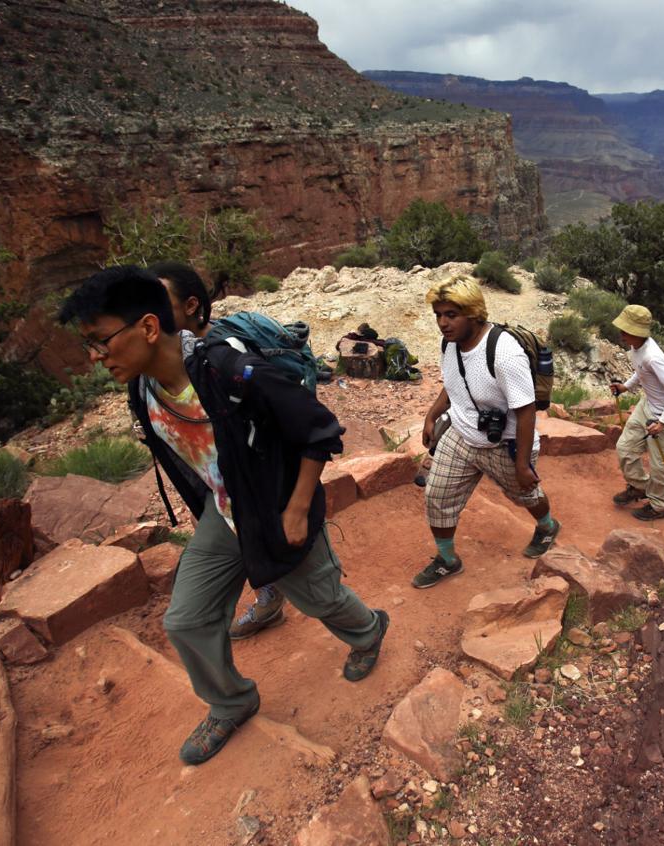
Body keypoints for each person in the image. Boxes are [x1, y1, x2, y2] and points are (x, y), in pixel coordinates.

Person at [58, 265, 389, 765]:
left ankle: (368, 631)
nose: (95, 357)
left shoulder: (229, 372)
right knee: (186, 619)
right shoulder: (143, 389)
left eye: (100, 342)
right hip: (227, 511)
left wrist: (298, 510)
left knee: (321, 598)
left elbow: (320, 430)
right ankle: (231, 701)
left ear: (149, 328)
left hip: (276, 506)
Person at [148, 260, 287, 640]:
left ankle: (352, 621)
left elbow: (281, 416)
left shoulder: (226, 352)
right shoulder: (160, 364)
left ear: (191, 306)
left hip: (260, 483)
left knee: (312, 579)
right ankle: (269, 594)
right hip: (218, 485)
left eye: (159, 302)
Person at [415, 276, 560, 588]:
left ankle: (547, 526)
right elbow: (453, 383)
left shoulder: (504, 354)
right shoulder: (450, 344)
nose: (442, 323)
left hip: (505, 443)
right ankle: (447, 559)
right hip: (462, 434)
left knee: (525, 494)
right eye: (438, 315)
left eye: (451, 315)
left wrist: (522, 465)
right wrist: (432, 416)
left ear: (473, 313)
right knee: (437, 495)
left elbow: (525, 412)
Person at [608, 305, 664, 521]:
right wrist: (625, 387)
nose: (621, 334)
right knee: (624, 448)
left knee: (660, 467)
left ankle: (660, 506)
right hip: (649, 405)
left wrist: (663, 422)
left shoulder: (653, 356)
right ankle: (639, 487)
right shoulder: (637, 348)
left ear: (636, 332)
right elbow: (641, 373)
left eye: (625, 330)